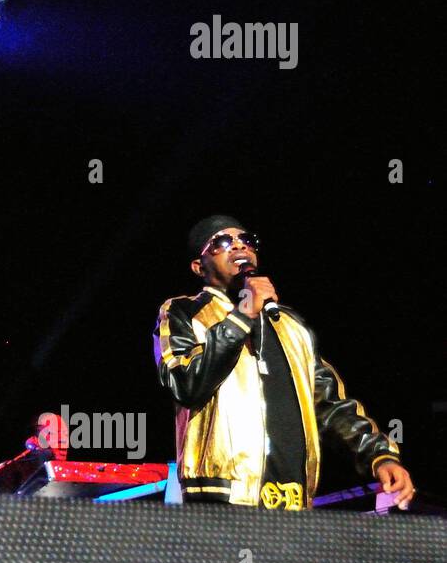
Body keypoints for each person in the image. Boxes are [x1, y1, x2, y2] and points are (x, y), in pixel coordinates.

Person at [153, 215, 413, 510]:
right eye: (222, 242)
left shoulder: (289, 324)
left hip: (294, 498)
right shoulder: (183, 311)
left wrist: (380, 456)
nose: (239, 246)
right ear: (198, 267)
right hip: (223, 495)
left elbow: (329, 403)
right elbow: (187, 382)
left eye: (247, 240)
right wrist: (243, 315)